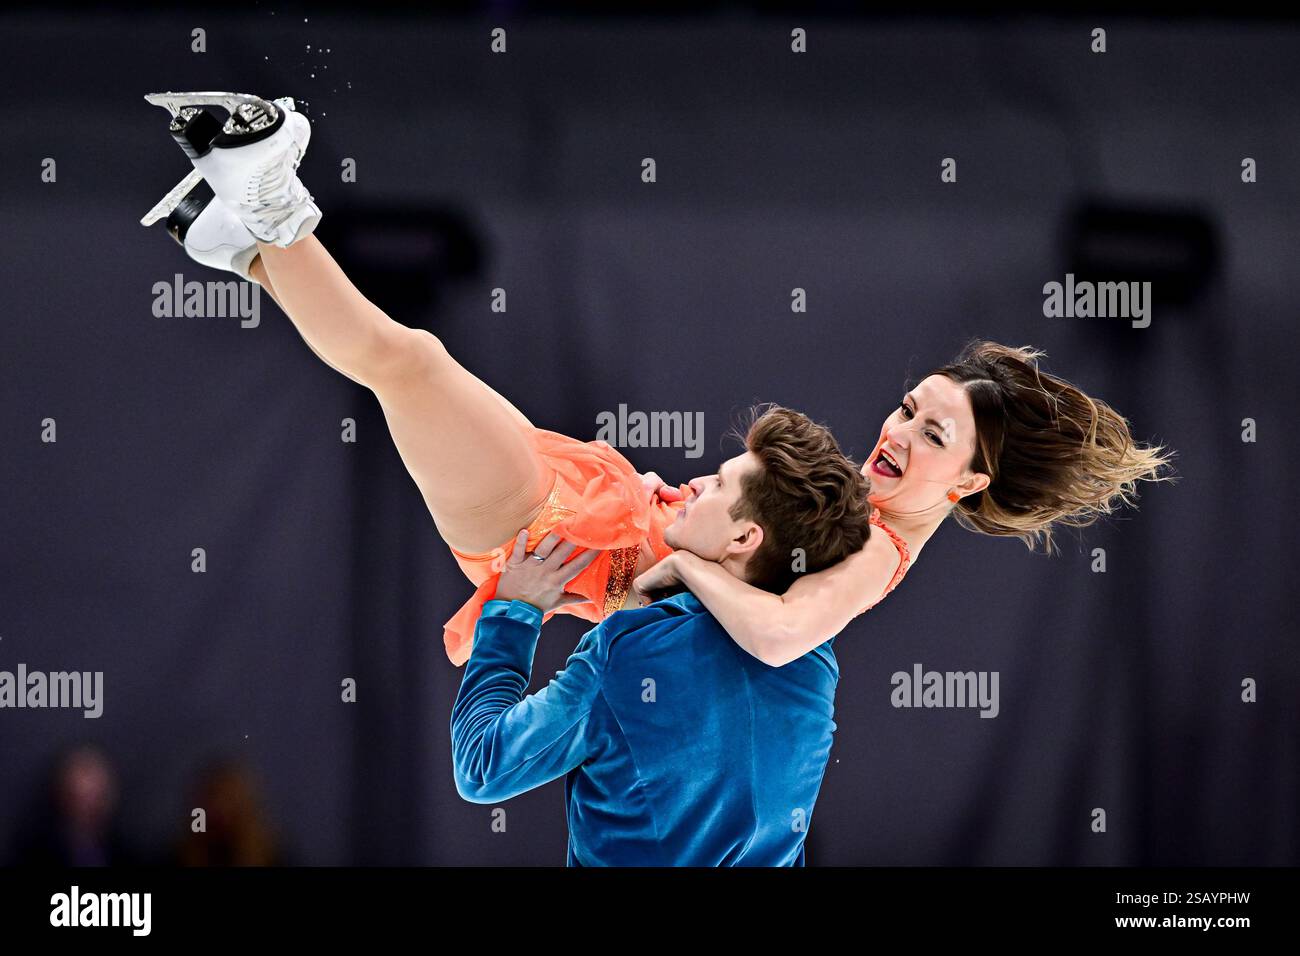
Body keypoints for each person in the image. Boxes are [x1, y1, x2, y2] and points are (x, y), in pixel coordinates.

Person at [144, 92, 1174, 672]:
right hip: (595, 490)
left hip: (562, 540)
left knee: (406, 361)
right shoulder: (875, 498)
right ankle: (240, 242)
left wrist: (682, 573)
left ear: (967, 485)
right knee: (403, 366)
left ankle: (269, 190)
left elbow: (775, 639)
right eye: (912, 405)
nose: (898, 430)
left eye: (934, 437)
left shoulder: (882, 554)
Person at [451, 407, 871, 865]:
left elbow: (483, 766)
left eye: (719, 481)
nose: (694, 483)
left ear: (745, 537)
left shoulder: (626, 649)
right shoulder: (814, 662)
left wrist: (514, 615)